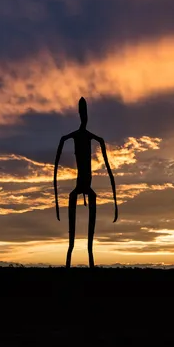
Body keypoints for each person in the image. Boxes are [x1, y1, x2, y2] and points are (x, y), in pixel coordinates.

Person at [53, 97, 118, 268]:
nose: (84, 117)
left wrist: (115, 202)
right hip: (78, 186)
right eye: (82, 113)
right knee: (72, 238)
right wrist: (57, 202)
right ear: (80, 114)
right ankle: (70, 255)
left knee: (90, 235)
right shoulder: (72, 137)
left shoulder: (95, 138)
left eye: (85, 113)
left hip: (88, 187)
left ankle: (90, 258)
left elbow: (109, 170)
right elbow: (57, 162)